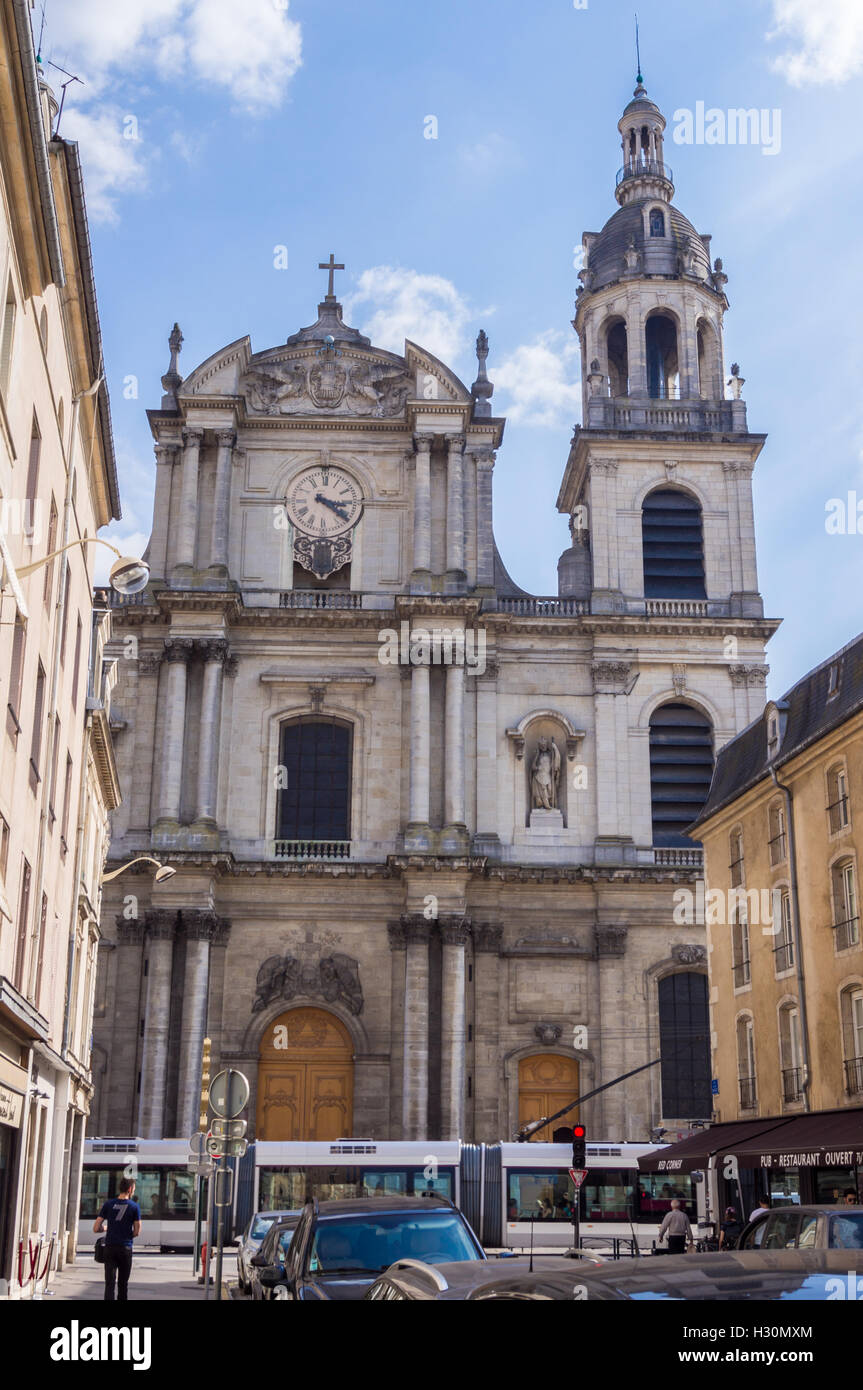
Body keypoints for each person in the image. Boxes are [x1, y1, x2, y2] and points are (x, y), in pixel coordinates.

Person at [93, 1177, 141, 1301]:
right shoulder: (134, 1207)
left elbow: (96, 1227)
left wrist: (107, 1228)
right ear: (130, 1189)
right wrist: (127, 1233)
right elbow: (137, 1231)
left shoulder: (108, 1204)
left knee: (109, 1283)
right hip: (125, 1248)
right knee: (123, 1283)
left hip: (110, 1248)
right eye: (134, 1189)